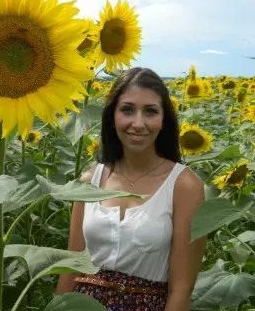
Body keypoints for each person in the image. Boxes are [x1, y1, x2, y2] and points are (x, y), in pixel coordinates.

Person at [55, 67, 207, 311]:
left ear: (163, 120)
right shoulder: (89, 181)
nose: (138, 123)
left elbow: (181, 290)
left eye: (150, 111)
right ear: (112, 118)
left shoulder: (184, 186)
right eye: (127, 110)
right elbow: (70, 267)